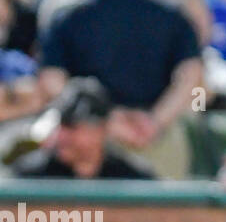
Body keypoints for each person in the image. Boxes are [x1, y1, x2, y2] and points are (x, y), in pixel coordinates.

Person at [38, 0, 202, 179]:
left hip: (87, 135)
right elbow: (190, 78)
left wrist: (106, 121)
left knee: (82, 218)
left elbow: (51, 81)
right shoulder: (171, 14)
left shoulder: (67, 16)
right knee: (162, 216)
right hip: (149, 138)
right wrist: (154, 123)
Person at [10, 77, 154, 181]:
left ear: (100, 130)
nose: (62, 135)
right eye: (60, 125)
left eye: (72, 127)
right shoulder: (33, 176)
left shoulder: (132, 178)